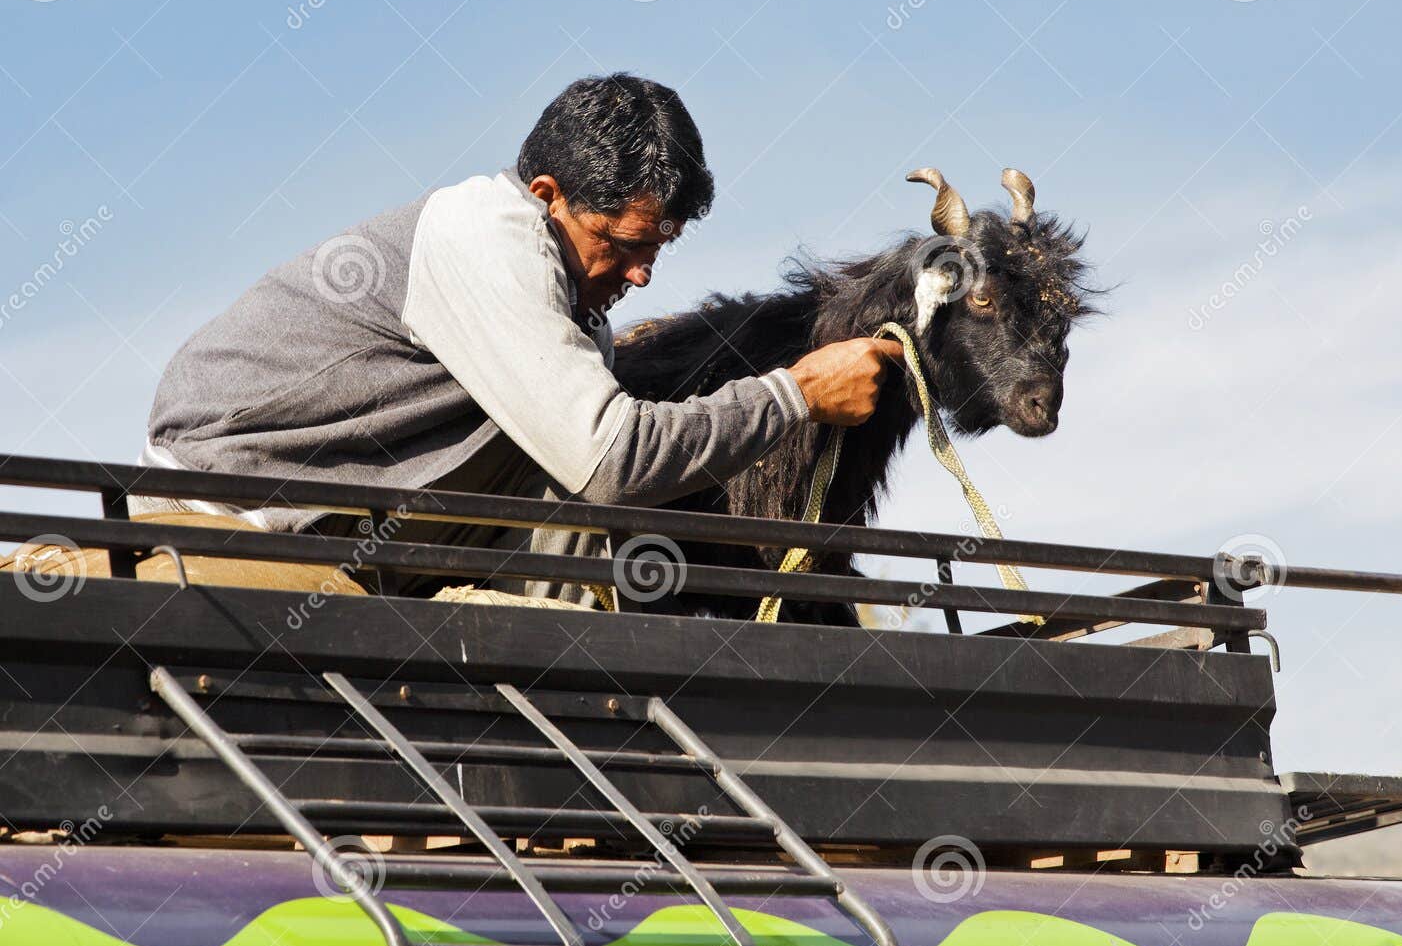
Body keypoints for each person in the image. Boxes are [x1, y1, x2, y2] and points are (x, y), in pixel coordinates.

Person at [130, 73, 903, 600]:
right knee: (591, 476)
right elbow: (612, 460)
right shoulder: (487, 242)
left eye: (655, 251)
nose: (640, 277)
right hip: (225, 508)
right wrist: (795, 393)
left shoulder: (576, 314)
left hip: (339, 520)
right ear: (546, 195)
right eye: (621, 243)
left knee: (569, 507)